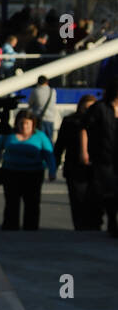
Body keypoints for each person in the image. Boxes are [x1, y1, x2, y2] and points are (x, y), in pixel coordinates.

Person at [0, 111, 56, 231]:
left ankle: (31, 229)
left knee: (32, 203)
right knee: (11, 203)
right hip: (10, 173)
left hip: (33, 174)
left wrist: (52, 171)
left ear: (33, 124)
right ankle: (10, 227)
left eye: (27, 123)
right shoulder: (8, 135)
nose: (24, 126)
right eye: (21, 123)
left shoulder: (40, 136)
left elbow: (49, 155)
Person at [54, 95, 98, 230]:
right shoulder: (69, 121)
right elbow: (60, 144)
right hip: (74, 167)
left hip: (95, 168)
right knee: (77, 200)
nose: (87, 112)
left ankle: (93, 226)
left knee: (95, 201)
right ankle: (80, 227)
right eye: (85, 108)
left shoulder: (99, 122)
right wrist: (54, 165)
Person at [80, 81, 118, 236]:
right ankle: (111, 221)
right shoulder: (99, 108)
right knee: (109, 191)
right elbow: (84, 128)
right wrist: (84, 151)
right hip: (104, 156)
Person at [28, 75, 58, 142]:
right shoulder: (52, 91)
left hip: (39, 118)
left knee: (40, 139)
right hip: (50, 118)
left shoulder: (35, 91)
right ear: (47, 82)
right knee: (49, 140)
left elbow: (30, 104)